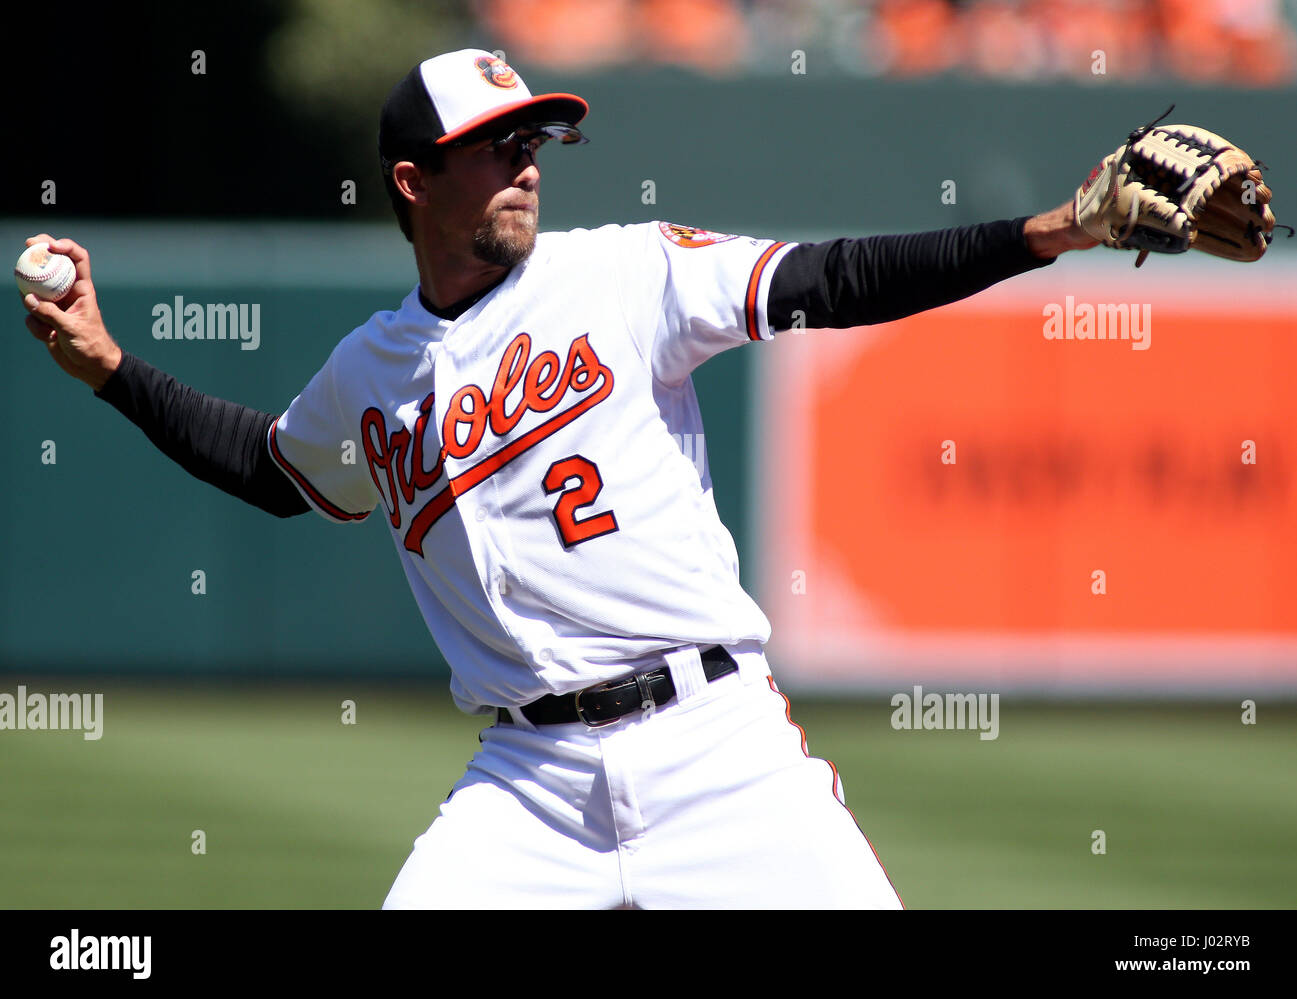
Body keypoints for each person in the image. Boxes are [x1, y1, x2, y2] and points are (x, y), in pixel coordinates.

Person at [20, 48, 1098, 909]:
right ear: (413, 181)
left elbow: (834, 278)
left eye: (531, 137)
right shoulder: (369, 368)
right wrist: (111, 372)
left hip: (715, 750)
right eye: (493, 145)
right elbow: (271, 471)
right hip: (526, 785)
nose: (527, 161)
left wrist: (1048, 231)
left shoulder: (627, 271)